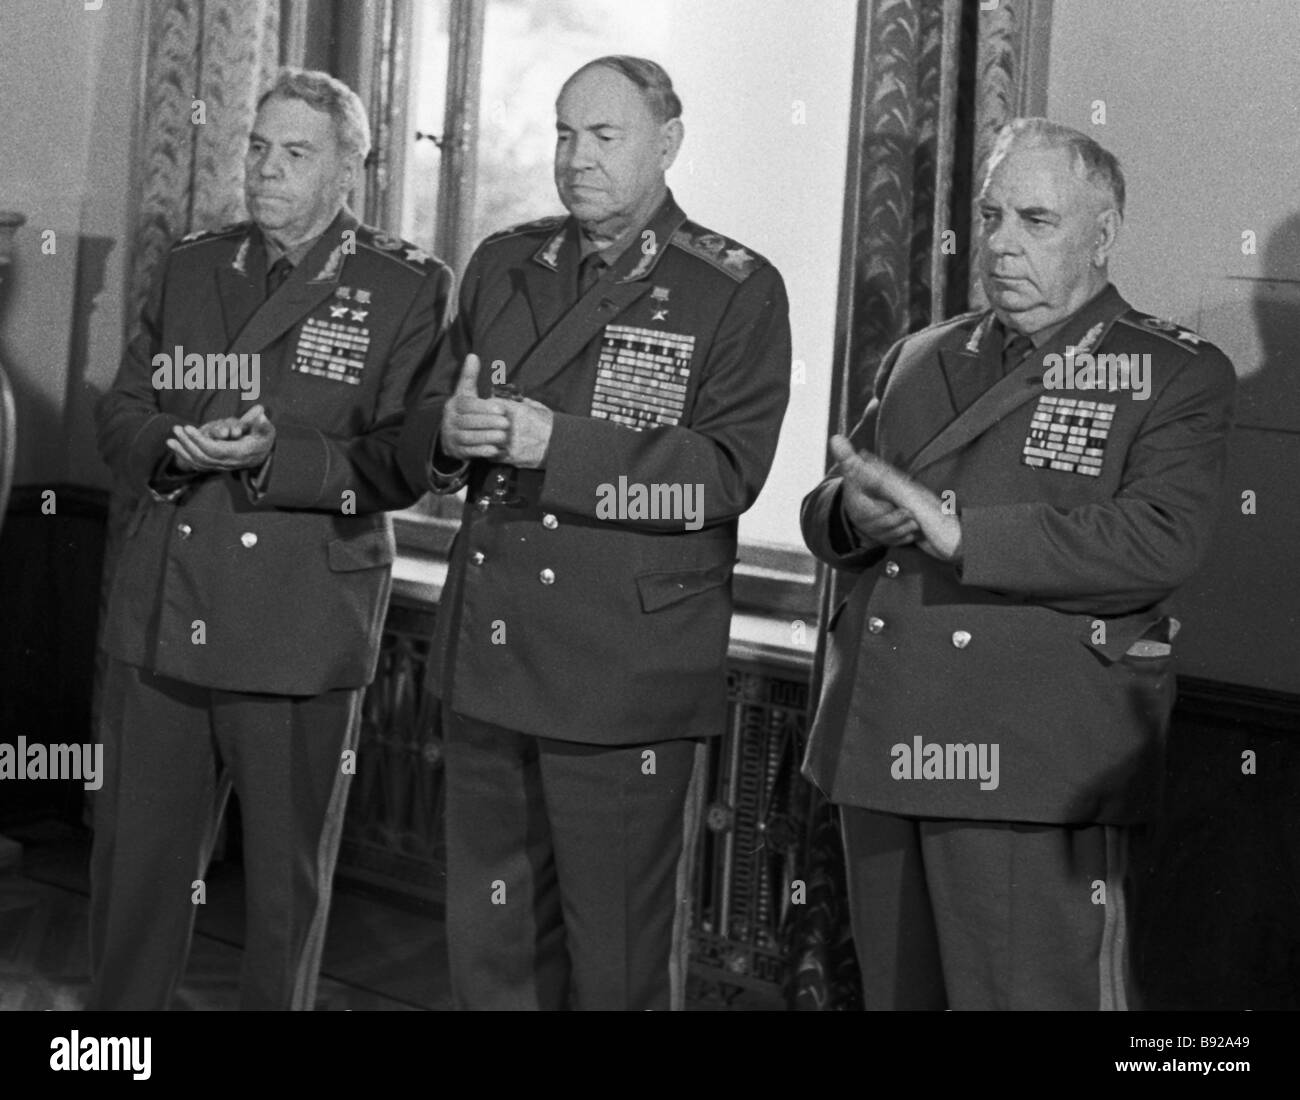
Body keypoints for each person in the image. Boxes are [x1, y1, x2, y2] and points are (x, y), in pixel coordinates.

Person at [801, 118, 1236, 1010]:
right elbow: (831, 511)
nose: (1001, 246)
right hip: (885, 732)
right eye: (992, 216)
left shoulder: (1170, 372)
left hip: (1027, 756)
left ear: (1103, 234)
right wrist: (851, 511)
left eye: (1036, 222)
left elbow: (1160, 540)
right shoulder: (925, 355)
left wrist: (965, 536)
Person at [397, 55, 791, 1010]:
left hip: (622, 673)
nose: (577, 158)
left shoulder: (732, 287)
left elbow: (723, 475)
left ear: (668, 142)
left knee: (613, 962)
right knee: (489, 950)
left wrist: (555, 446)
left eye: (604, 136)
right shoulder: (503, 262)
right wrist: (445, 438)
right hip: (492, 654)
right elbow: (428, 419)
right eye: (565, 134)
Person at [90, 67, 452, 1010]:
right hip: (168, 605)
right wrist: (173, 444)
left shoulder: (405, 285)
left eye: (295, 154)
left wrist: (275, 454)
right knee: (135, 876)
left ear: (348, 170)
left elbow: (401, 462)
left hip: (296, 620)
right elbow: (124, 408)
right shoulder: (198, 262)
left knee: (284, 894)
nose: (266, 171)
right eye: (257, 148)